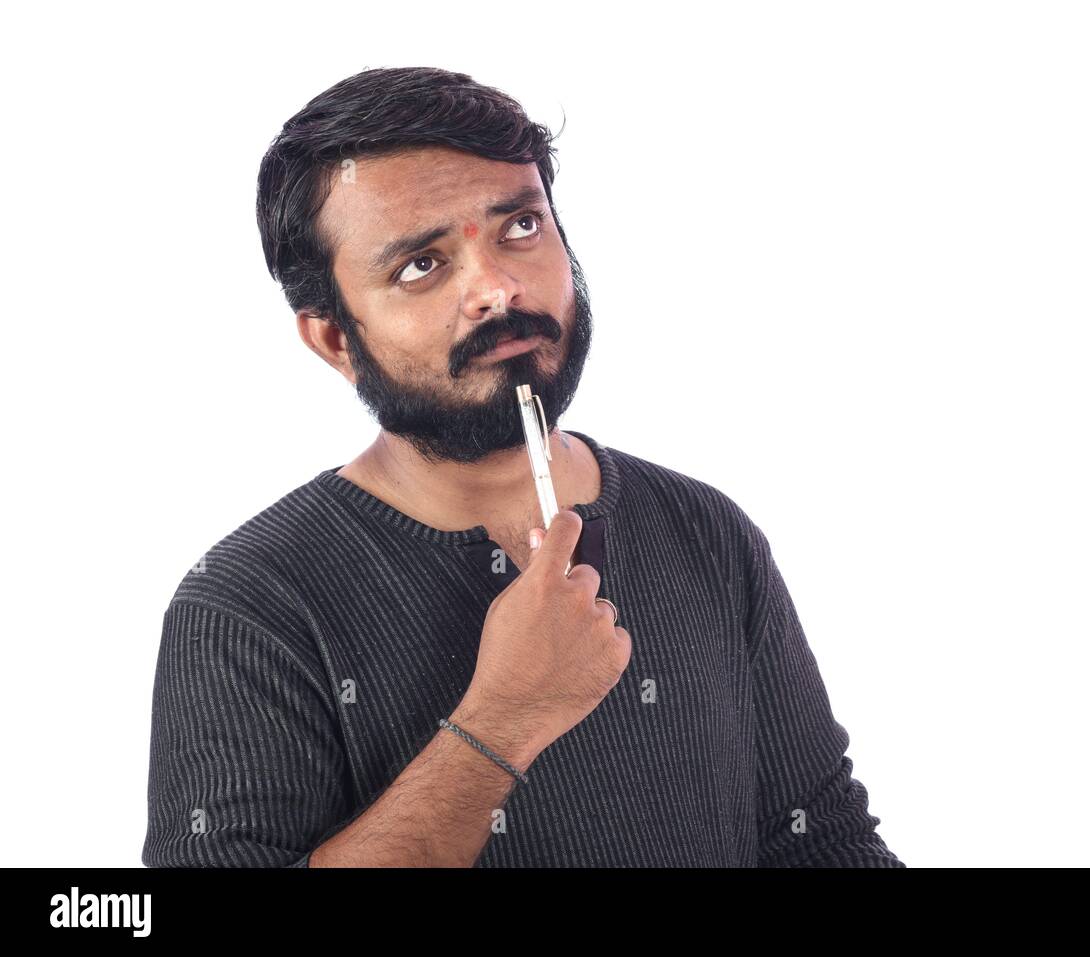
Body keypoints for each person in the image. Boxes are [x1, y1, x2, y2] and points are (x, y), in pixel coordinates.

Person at [141, 66, 905, 868]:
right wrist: (501, 721)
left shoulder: (704, 530)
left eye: (520, 228)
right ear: (335, 338)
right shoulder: (246, 606)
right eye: (420, 265)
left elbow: (823, 840)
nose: (497, 289)